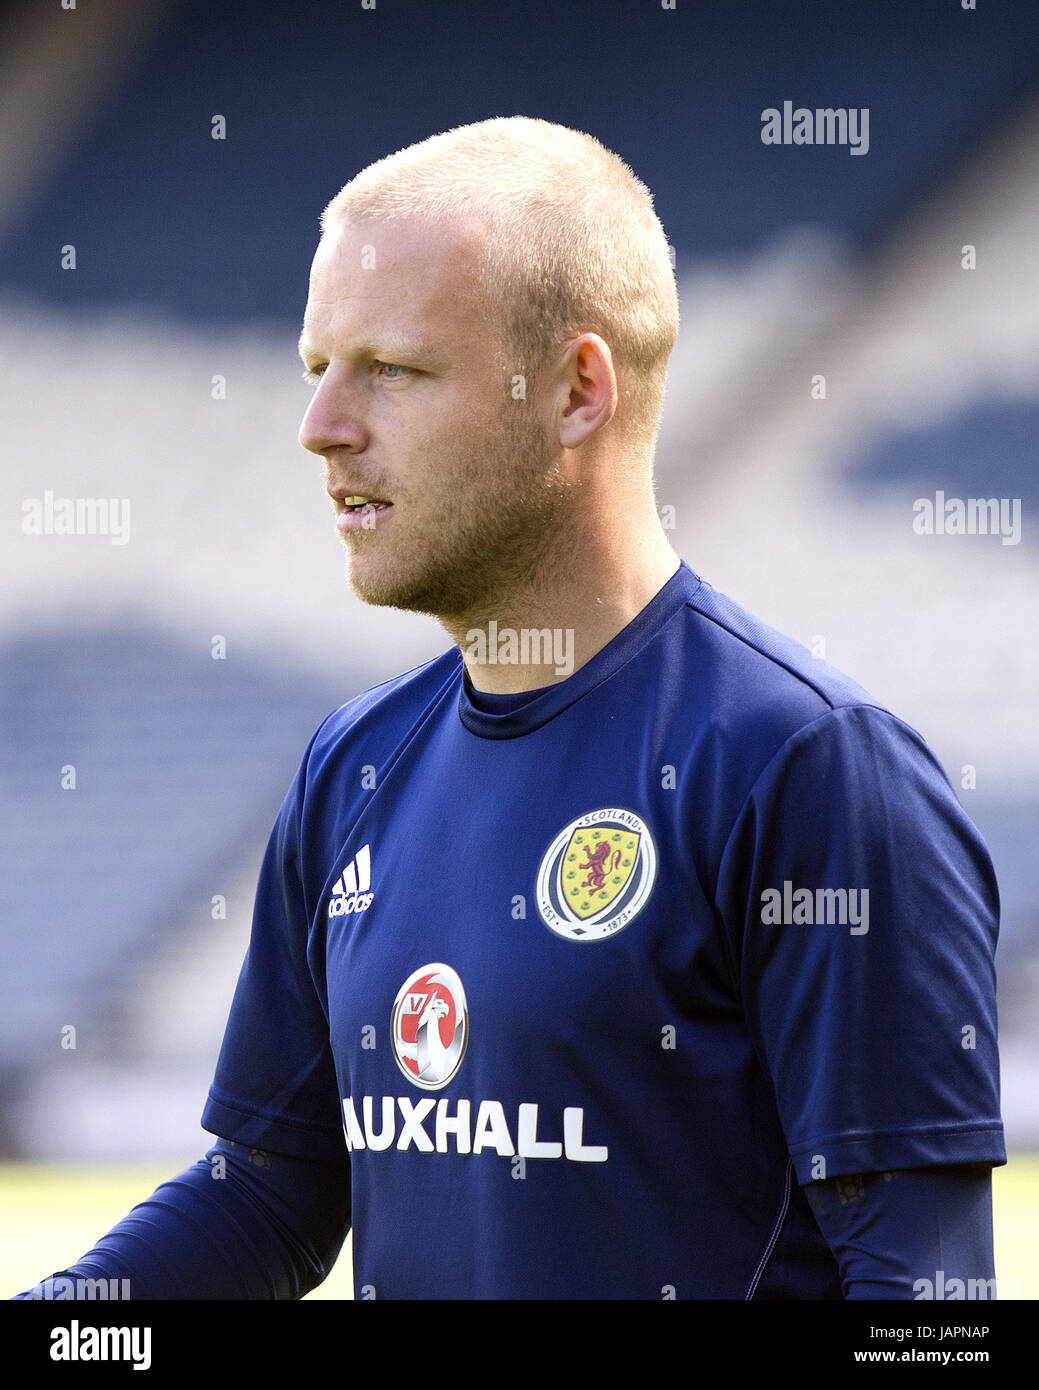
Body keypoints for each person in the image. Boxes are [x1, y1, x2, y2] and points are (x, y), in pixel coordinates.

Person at [13, 116, 1004, 1301]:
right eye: (315, 366)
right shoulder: (355, 766)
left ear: (577, 390)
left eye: (391, 368)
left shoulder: (808, 769)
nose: (321, 425)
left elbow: (929, 1301)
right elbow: (268, 1198)